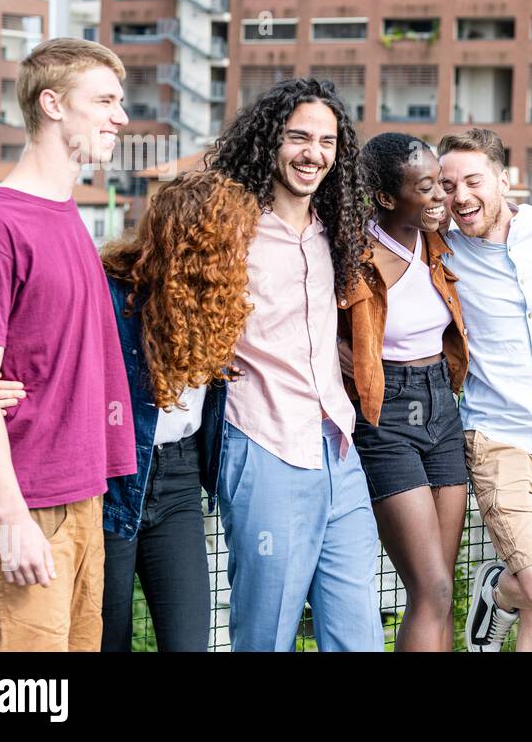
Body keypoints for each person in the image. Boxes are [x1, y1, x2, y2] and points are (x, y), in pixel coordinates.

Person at [0, 38, 136, 651]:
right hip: (21, 509)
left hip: (81, 501)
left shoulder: (68, 215)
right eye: (104, 100)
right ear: (52, 105)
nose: (121, 117)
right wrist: (10, 518)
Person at [203, 77, 381, 652]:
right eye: (299, 137)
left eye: (327, 142)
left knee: (358, 634)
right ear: (269, 141)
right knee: (266, 633)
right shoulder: (229, 230)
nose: (314, 154)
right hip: (264, 442)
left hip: (337, 447)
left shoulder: (337, 233)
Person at [440, 128, 532, 653]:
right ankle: (496, 591)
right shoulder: (442, 249)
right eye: (448, 184)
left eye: (473, 181)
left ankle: (499, 594)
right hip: (498, 437)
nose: (460, 196)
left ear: (504, 180)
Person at [98, 170, 258, 651]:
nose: (244, 253)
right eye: (233, 242)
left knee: (189, 641)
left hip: (180, 478)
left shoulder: (220, 302)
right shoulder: (110, 294)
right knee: (107, 639)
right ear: (199, 245)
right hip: (111, 476)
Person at [338, 133, 469, 652]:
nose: (443, 196)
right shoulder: (354, 255)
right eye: (427, 187)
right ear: (387, 199)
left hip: (442, 403)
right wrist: (342, 360)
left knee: (443, 590)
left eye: (440, 182)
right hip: (388, 413)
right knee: (429, 587)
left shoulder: (436, 241)